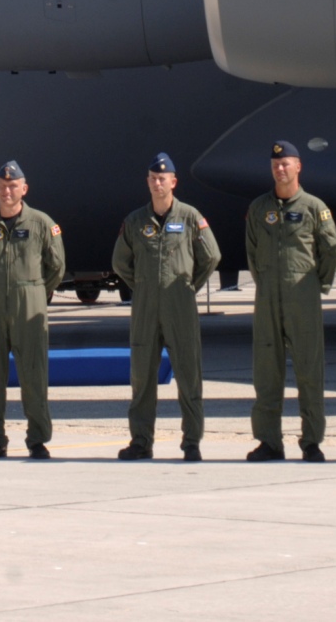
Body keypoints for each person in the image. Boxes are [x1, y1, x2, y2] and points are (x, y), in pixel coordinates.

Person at [111, 153, 221, 461]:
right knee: (142, 377)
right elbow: (120, 262)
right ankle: (141, 442)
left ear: (173, 182)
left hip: (180, 306)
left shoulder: (189, 217)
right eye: (153, 178)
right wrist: (143, 284)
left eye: (163, 178)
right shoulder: (135, 221)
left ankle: (191, 443)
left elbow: (211, 256)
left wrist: (188, 287)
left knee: (188, 375)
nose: (158, 183)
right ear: (148, 182)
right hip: (146, 307)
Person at [244, 140, 336, 462]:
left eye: (286, 163)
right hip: (268, 297)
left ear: (299, 166)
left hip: (303, 297)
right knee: (266, 372)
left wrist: (317, 285)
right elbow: (253, 249)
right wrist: (266, 283)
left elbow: (331, 248)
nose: (280, 169)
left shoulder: (315, 207)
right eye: (275, 165)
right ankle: (269, 442)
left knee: (309, 372)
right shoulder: (259, 208)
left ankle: (312, 442)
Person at [0, 162, 65, 458]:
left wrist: (34, 292)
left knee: (34, 374)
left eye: (13, 186)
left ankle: (37, 440)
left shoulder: (42, 224)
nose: (7, 191)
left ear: (24, 189)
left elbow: (56, 266)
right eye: (2, 186)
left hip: (30, 306)